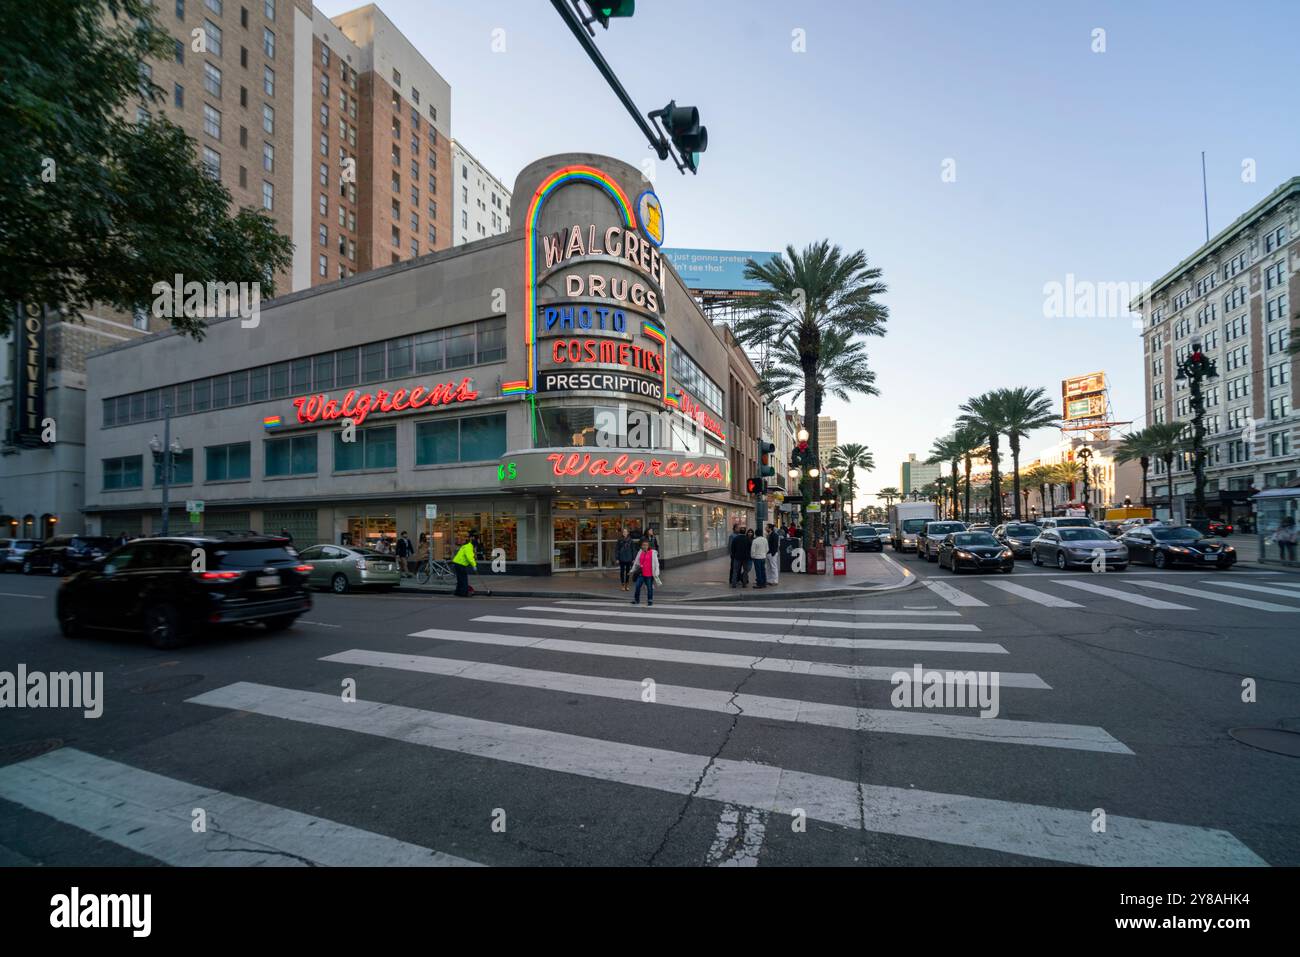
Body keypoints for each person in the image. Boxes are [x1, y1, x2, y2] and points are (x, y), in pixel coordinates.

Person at [631, 537, 660, 605]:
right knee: (637, 586)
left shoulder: (652, 553)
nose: (645, 546)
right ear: (641, 545)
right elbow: (636, 562)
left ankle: (650, 600)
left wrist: (656, 572)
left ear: (648, 545)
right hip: (641, 573)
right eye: (643, 545)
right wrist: (632, 570)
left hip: (649, 574)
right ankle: (636, 600)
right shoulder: (640, 552)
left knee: (649, 588)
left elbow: (656, 563)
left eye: (646, 545)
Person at [451, 532, 477, 596]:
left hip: (457, 563)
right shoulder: (469, 547)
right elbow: (469, 557)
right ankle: (464, 593)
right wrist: (474, 565)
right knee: (464, 579)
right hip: (460, 564)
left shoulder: (466, 546)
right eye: (475, 547)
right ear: (474, 546)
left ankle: (458, 592)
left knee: (460, 579)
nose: (475, 549)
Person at [616, 527, 637, 591]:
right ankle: (622, 585)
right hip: (621, 558)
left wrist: (633, 558)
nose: (624, 533)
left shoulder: (631, 540)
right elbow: (617, 549)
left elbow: (633, 550)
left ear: (628, 533)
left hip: (629, 558)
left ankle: (627, 585)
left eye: (625, 532)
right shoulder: (620, 540)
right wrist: (617, 558)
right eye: (623, 532)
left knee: (628, 572)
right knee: (622, 572)